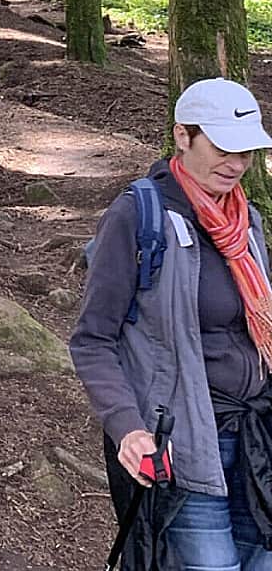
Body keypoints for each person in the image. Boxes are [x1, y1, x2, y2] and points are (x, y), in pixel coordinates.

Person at [71, 77, 272, 570]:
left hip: (257, 437)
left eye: (247, 152)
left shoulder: (247, 219)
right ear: (183, 137)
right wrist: (127, 428)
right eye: (224, 148)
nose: (238, 164)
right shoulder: (139, 217)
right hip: (184, 444)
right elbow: (92, 340)